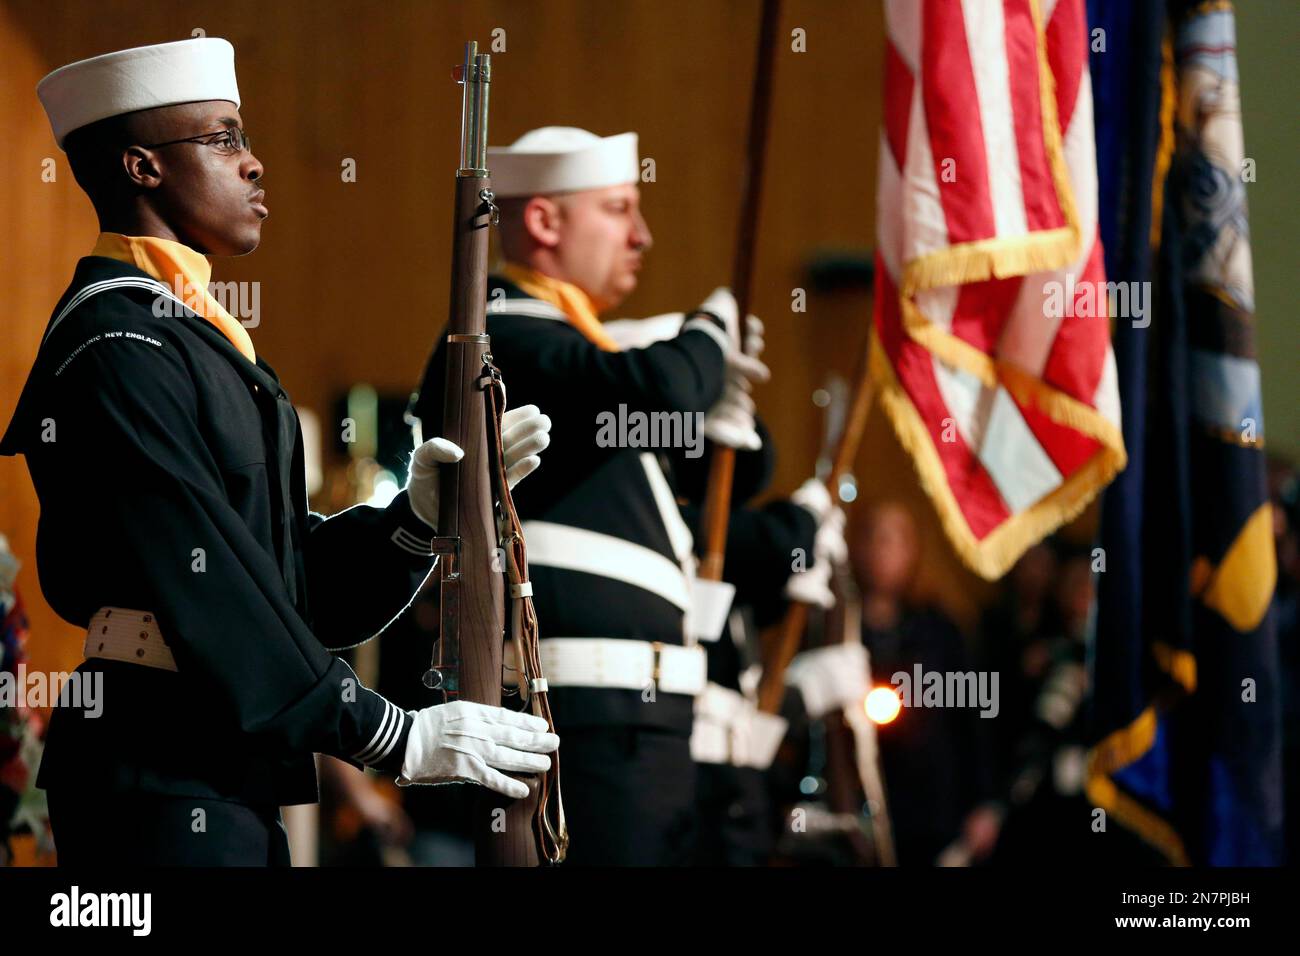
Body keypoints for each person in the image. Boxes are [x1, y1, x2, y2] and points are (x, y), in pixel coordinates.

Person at [0, 38, 558, 866]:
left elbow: (286, 587)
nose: (255, 164)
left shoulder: (200, 339)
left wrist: (412, 521)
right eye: (223, 138)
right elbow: (216, 585)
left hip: (220, 763)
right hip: (157, 768)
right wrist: (387, 734)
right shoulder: (115, 340)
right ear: (142, 167)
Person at [411, 126, 768, 865]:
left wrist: (728, 426)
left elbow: (690, 488)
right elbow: (664, 385)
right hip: (581, 710)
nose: (641, 236)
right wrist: (707, 331)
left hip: (649, 716)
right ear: (543, 222)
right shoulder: (496, 332)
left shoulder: (583, 354)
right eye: (617, 209)